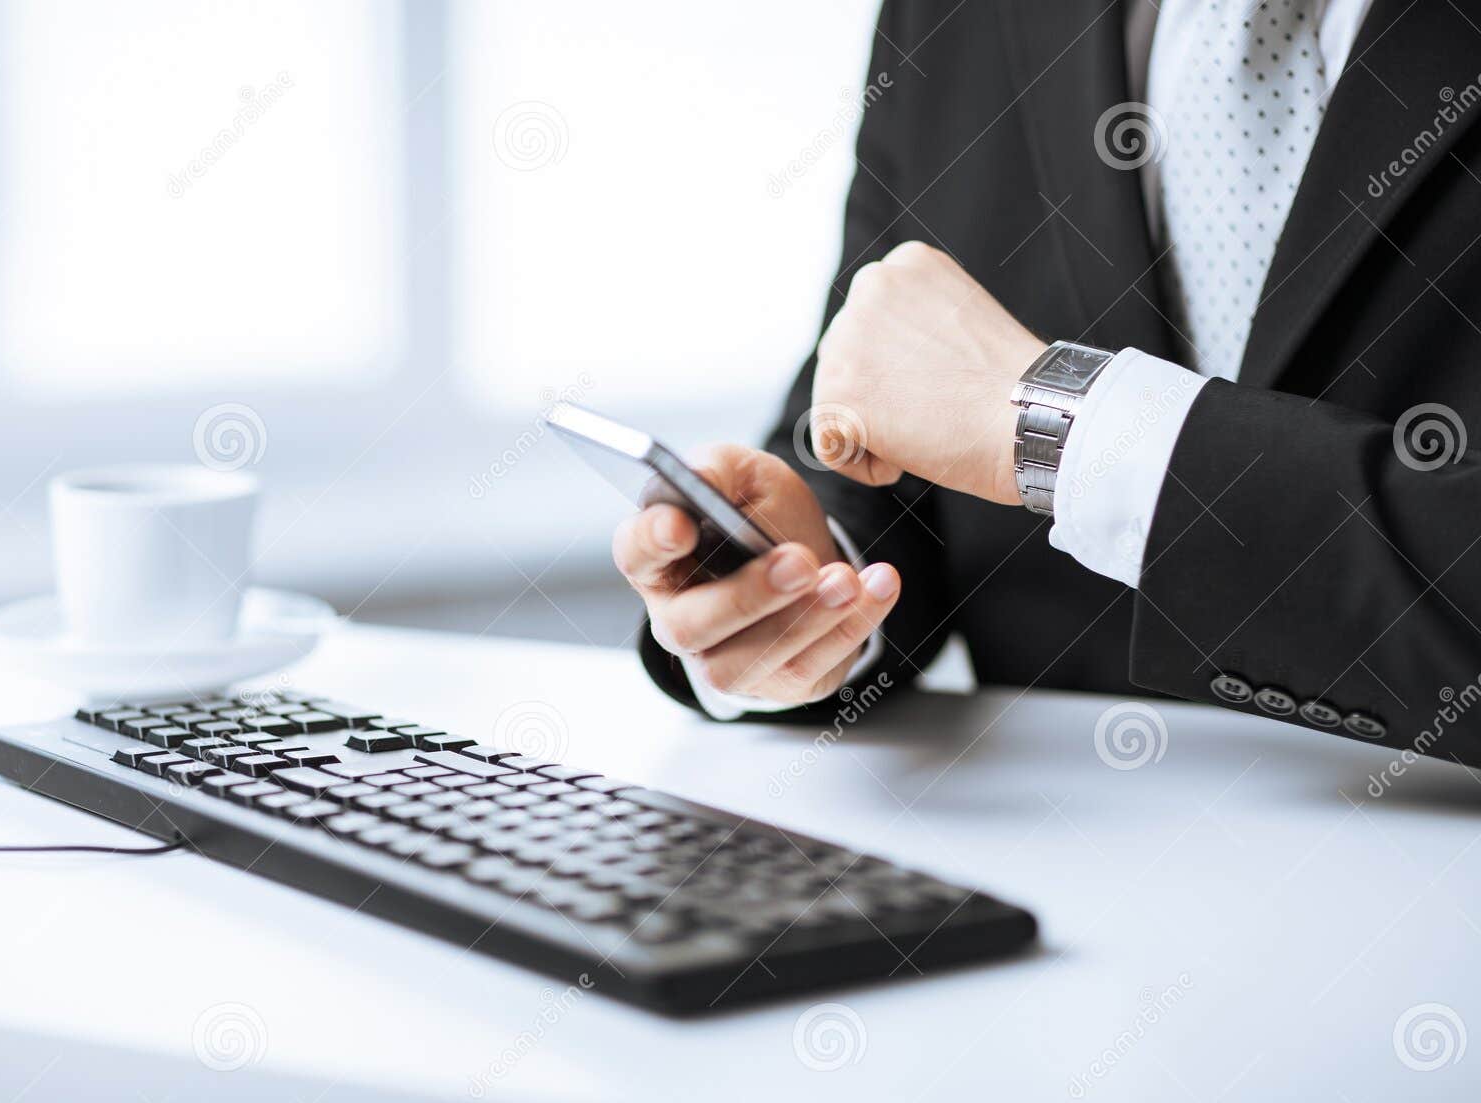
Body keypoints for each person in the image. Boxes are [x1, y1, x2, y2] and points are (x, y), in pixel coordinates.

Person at [614, 0, 1481, 766]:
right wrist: (803, 585)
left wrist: (1071, 429)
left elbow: (997, 403)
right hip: (1034, 870)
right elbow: (881, 402)